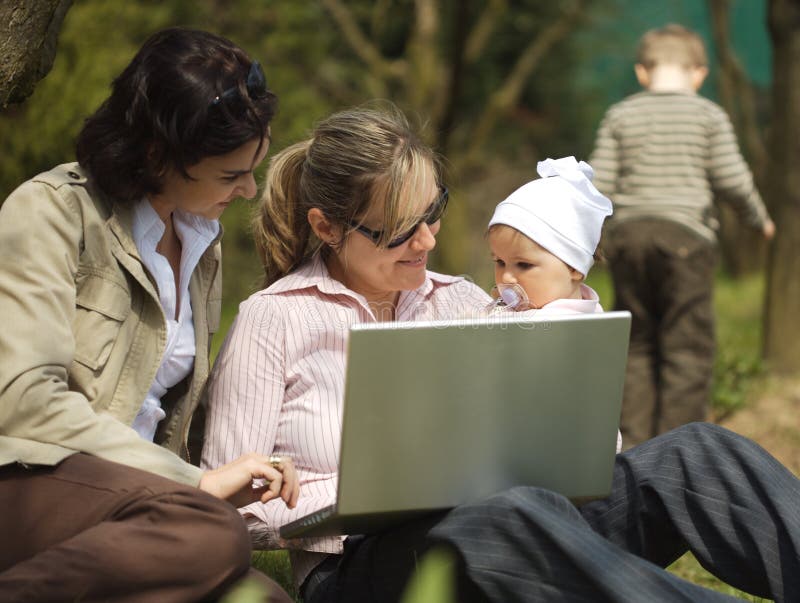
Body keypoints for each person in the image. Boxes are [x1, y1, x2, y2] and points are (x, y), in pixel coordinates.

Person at [203, 105, 800, 603]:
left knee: (696, 453)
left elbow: (576, 449)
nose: (429, 241)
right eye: (402, 229)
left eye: (432, 215)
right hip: (363, 569)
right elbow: (227, 511)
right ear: (328, 227)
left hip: (523, 523)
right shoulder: (272, 318)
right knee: (501, 518)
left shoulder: (466, 302)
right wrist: (356, 498)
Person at [0, 27, 299, 602]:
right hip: (34, 478)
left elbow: (162, 413)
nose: (248, 190)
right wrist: (194, 485)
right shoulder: (51, 213)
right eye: (231, 174)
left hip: (142, 505)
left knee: (264, 597)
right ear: (160, 155)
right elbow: (25, 402)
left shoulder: (200, 239)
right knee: (212, 532)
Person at [589, 23, 776, 449]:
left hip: (629, 238)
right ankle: (677, 452)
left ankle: (631, 448)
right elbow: (733, 179)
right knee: (686, 347)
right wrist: (758, 219)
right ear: (699, 74)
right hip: (686, 240)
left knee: (636, 344)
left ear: (642, 72)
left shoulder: (621, 115)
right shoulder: (708, 116)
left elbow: (598, 185)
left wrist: (589, 238)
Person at [486, 156, 612, 315]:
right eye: (500, 262)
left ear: (574, 267)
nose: (506, 278)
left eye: (524, 265)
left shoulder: (556, 321)